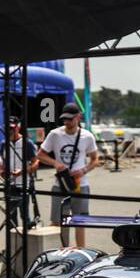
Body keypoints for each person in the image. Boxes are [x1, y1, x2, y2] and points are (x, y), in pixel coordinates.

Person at [37, 102, 98, 247]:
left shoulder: (87, 136)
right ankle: (59, 253)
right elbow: (40, 155)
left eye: (70, 119)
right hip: (60, 184)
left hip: (80, 184)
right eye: (64, 119)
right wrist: (55, 163)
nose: (67, 122)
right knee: (57, 221)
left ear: (78, 117)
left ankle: (81, 253)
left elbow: (95, 160)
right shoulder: (55, 134)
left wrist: (83, 170)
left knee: (79, 221)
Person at [0, 117, 38, 231]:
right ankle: (14, 246)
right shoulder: (4, 143)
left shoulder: (26, 143)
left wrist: (22, 171)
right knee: (10, 216)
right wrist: (1, 170)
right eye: (7, 128)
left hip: (23, 184)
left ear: (18, 127)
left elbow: (36, 163)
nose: (9, 131)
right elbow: (1, 161)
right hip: (9, 183)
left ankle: (26, 244)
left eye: (12, 128)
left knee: (24, 214)